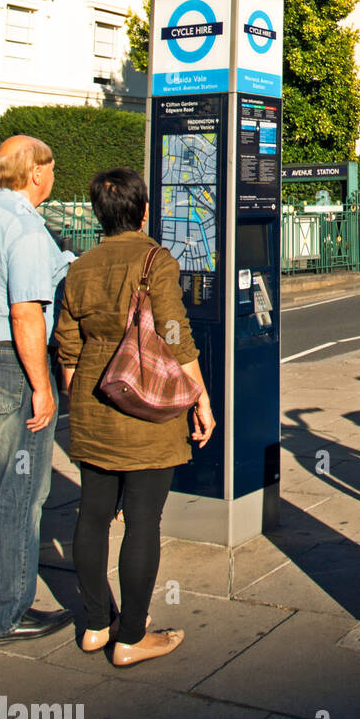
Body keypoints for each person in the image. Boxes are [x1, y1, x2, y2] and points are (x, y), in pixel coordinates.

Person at [56, 169, 215, 667]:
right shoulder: (155, 260)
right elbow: (172, 330)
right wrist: (199, 396)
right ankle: (131, 637)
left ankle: (95, 625)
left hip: (91, 398)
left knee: (93, 515)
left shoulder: (78, 267)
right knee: (143, 519)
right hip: (145, 401)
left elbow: (67, 346)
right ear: (144, 211)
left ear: (99, 215)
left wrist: (80, 399)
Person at [0, 136, 76, 646]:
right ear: (35, 173)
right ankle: (6, 611)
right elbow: (25, 312)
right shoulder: (21, 228)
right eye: (51, 167)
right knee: (21, 492)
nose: (53, 175)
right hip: (15, 360)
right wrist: (41, 388)